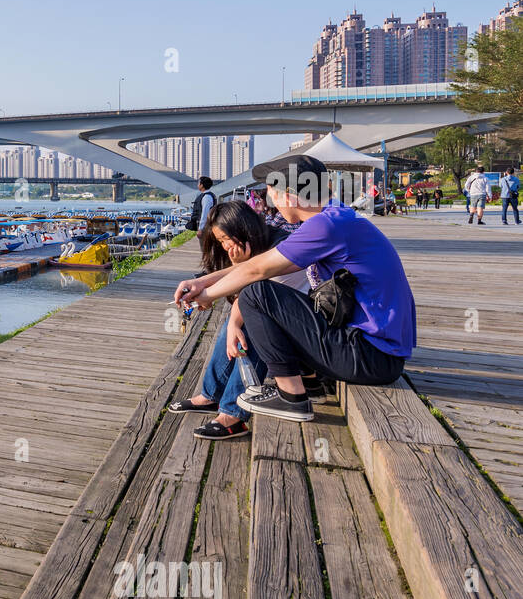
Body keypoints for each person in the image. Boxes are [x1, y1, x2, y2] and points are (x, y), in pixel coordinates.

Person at [174, 153, 416, 424]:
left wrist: (205, 296)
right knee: (261, 295)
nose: (269, 201)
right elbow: (263, 262)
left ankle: (291, 397)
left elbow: (257, 270)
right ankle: (307, 386)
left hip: (370, 356)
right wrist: (203, 282)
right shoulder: (333, 217)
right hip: (373, 352)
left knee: (257, 294)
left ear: (288, 195)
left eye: (271, 192)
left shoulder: (326, 226)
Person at [167, 201, 310, 440]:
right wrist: (206, 285)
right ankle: (211, 395)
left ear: (241, 228)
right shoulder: (258, 245)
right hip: (285, 320)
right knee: (237, 324)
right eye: (220, 241)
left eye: (226, 238)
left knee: (251, 327)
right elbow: (245, 297)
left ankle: (233, 414)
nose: (224, 246)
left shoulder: (281, 246)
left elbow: (258, 297)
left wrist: (235, 274)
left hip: (304, 332)